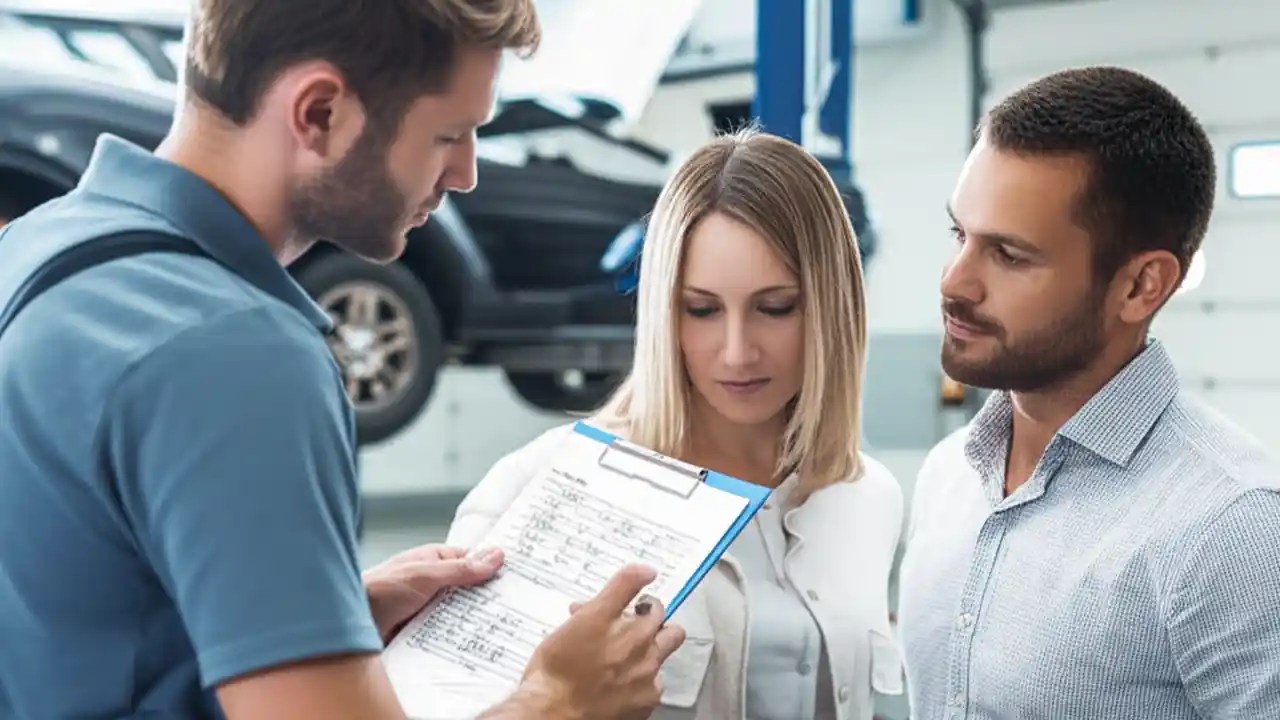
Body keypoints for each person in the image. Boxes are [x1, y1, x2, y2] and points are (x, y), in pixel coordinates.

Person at [0, 1, 684, 719]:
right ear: (320, 112)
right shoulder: (237, 354)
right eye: (449, 135)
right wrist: (561, 702)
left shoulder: (36, 249)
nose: (466, 174)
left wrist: (323, 615)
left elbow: (76, 603)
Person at [446, 127, 906, 720]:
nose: (737, 352)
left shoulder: (869, 499)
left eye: (775, 308)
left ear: (832, 306)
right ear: (665, 310)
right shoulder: (547, 484)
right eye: (702, 309)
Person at [897, 65, 1280, 719]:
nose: (955, 284)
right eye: (961, 236)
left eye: (1009, 255)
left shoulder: (1232, 528)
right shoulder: (947, 477)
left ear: (1140, 287)